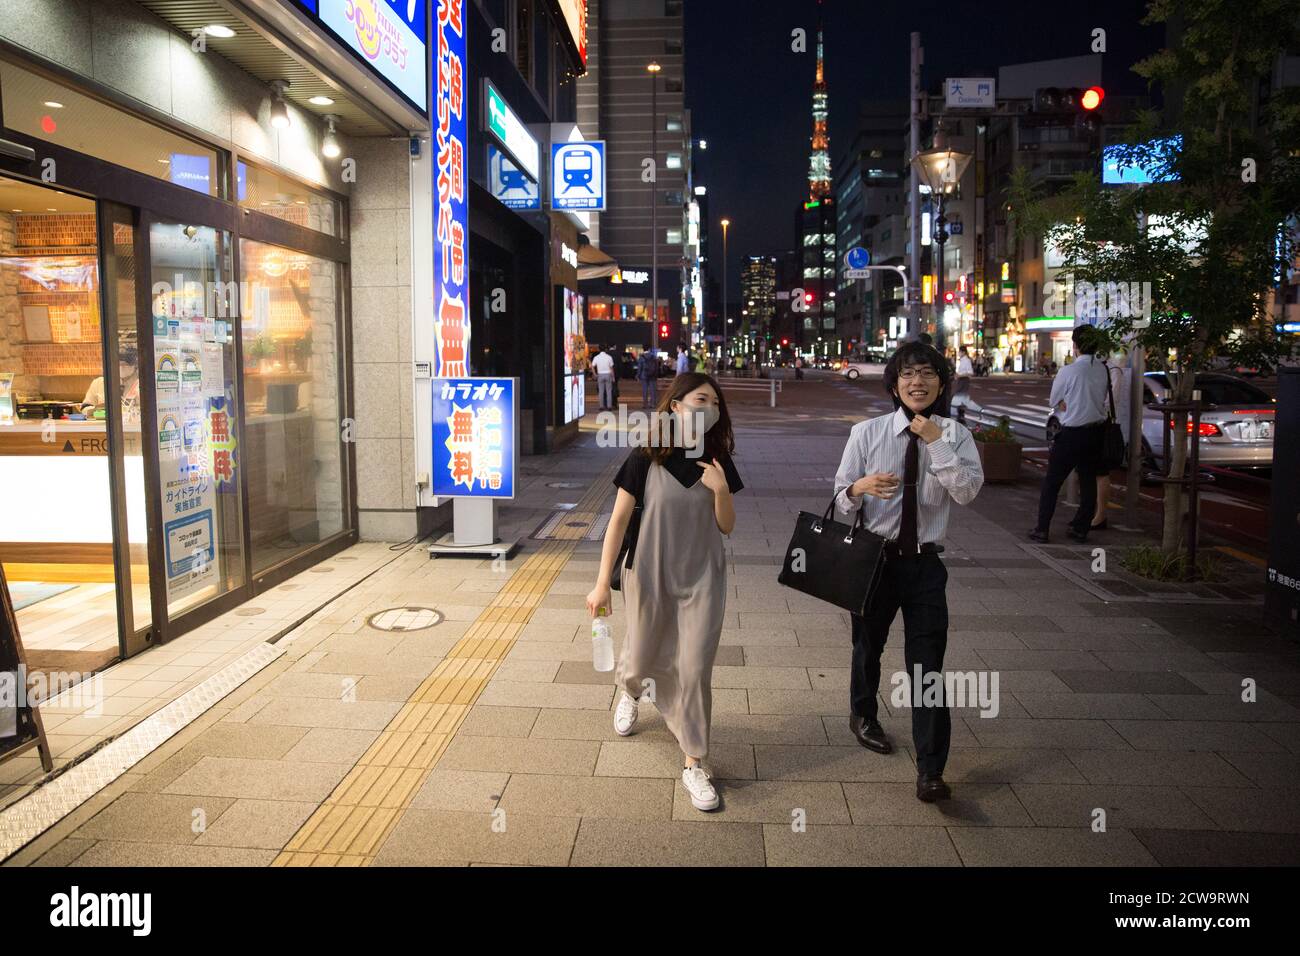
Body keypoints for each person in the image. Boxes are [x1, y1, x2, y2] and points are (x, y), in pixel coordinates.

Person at [833, 341, 984, 803]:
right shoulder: (867, 432)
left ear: (941, 383)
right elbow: (840, 498)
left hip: (925, 566)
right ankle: (863, 714)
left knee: (928, 668)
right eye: (907, 374)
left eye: (926, 374)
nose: (916, 382)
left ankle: (931, 769)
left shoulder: (955, 435)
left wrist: (936, 443)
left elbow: (966, 493)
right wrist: (858, 487)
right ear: (894, 384)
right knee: (868, 646)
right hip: (874, 561)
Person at [587, 372, 744, 812]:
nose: (708, 407)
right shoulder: (646, 455)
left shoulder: (717, 461)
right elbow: (617, 521)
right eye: (700, 399)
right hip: (649, 573)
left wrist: (721, 490)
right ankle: (631, 690)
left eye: (715, 402)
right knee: (640, 655)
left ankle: (695, 762)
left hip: (702, 580)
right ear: (675, 405)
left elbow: (727, 526)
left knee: (693, 669)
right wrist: (602, 582)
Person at [1029, 325, 1110, 544]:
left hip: (1072, 432)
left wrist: (1067, 402)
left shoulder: (1069, 371)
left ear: (1075, 345)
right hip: (1095, 432)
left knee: (1053, 482)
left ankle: (1042, 529)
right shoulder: (1103, 370)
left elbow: (1054, 399)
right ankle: (1081, 528)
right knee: (1088, 480)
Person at [1092, 350, 1131, 531]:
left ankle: (1100, 515)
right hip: (1092, 422)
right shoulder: (1095, 369)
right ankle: (1092, 513)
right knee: (1090, 470)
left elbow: (1110, 401)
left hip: (1104, 423)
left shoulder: (1113, 370)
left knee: (1101, 471)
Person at [591, 346, 616, 411]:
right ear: (605, 349)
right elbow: (611, 368)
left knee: (601, 391)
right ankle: (609, 406)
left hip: (600, 375)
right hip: (608, 374)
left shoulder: (596, 357)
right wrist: (613, 377)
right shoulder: (609, 357)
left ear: (599, 349)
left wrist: (594, 374)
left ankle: (601, 406)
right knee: (608, 391)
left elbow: (592, 366)